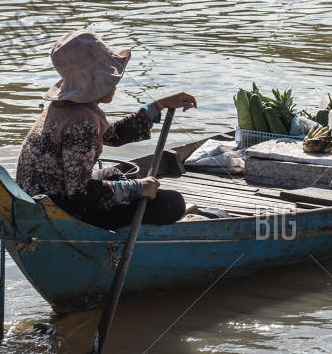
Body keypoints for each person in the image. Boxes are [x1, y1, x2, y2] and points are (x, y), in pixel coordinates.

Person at [16, 29, 198, 230]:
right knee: (172, 202)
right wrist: (137, 188)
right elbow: (79, 191)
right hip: (62, 215)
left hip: (46, 199)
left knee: (112, 173)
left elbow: (113, 135)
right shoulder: (82, 122)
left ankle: (127, 214)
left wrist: (158, 105)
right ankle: (125, 229)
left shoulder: (67, 108)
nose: (115, 84)